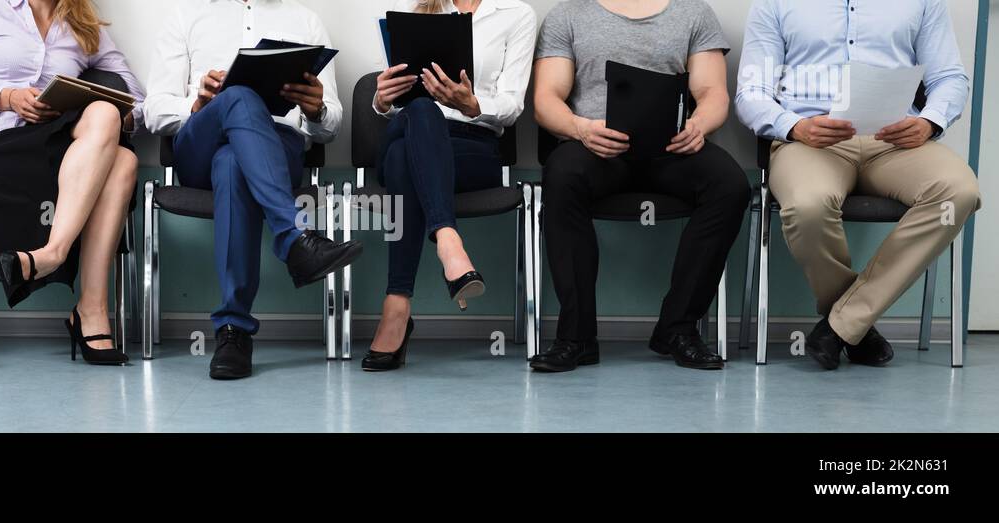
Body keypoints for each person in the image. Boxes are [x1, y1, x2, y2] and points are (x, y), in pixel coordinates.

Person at [736, 0, 981, 370]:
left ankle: (841, 326)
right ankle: (855, 326)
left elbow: (949, 77)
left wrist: (930, 121)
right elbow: (751, 91)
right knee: (808, 205)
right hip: (810, 140)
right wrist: (794, 126)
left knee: (958, 192)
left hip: (896, 141)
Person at [144, 0, 363, 380]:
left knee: (232, 162)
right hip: (201, 143)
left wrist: (316, 111)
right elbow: (154, 111)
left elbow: (331, 126)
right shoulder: (186, 16)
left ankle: (234, 332)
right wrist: (197, 102)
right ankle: (294, 238)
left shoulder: (306, 22)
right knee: (239, 97)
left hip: (277, 148)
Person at [531, 0, 749, 373]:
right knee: (561, 174)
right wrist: (582, 129)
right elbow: (545, 100)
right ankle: (576, 336)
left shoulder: (694, 13)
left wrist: (698, 126)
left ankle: (677, 329)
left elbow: (713, 92)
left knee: (730, 185)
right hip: (597, 147)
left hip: (672, 149)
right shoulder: (567, 15)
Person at [0, 0, 145, 365]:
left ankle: (60, 265)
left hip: (58, 145)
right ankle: (85, 303)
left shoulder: (83, 22)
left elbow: (135, 98)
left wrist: (109, 117)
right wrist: (7, 98)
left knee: (116, 135)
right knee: (122, 160)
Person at [360, 0, 537, 372]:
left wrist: (472, 103)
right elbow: (393, 102)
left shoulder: (516, 14)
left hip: (471, 145)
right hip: (409, 126)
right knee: (421, 110)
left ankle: (396, 309)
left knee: (403, 162)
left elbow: (512, 103)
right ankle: (447, 239)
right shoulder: (413, 12)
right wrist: (381, 98)